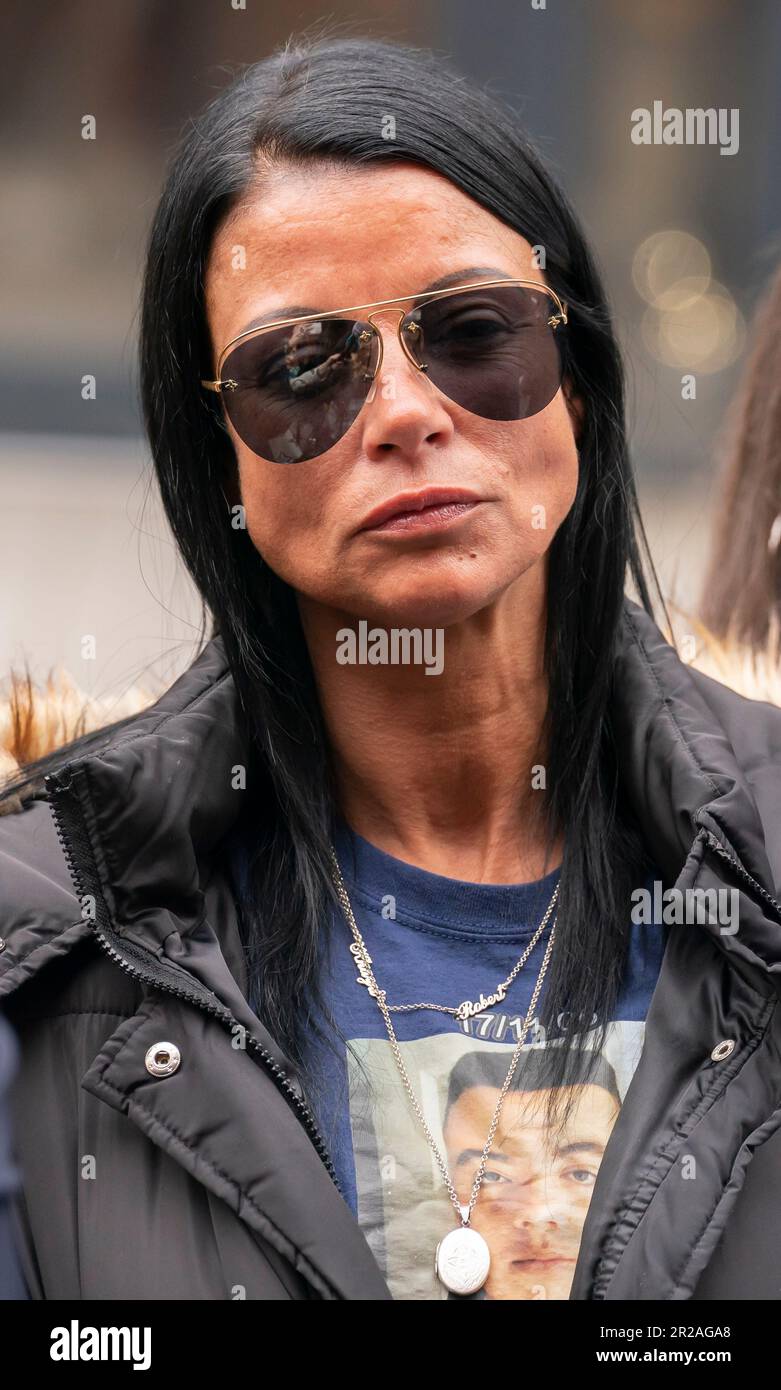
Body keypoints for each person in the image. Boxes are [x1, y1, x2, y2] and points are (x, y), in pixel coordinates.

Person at [1, 33, 781, 1302]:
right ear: (222, 463)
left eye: (475, 331)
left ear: (576, 380)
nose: (407, 411)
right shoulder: (46, 936)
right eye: (302, 369)